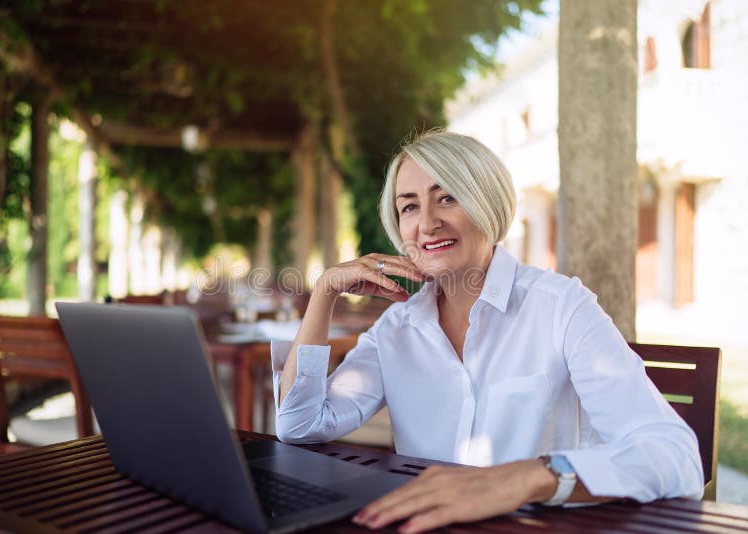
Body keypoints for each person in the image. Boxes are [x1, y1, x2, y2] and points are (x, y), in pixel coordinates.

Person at [271, 130, 703, 533]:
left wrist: (527, 477)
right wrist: (325, 292)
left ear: (487, 203)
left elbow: (676, 457)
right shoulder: (397, 328)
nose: (426, 224)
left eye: (448, 198)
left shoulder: (561, 306)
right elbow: (300, 424)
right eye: (409, 206)